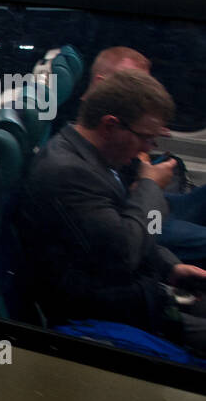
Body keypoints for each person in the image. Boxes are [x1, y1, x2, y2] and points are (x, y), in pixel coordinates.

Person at [16, 70, 206, 353]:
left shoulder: (94, 160)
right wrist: (149, 184)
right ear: (109, 126)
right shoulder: (68, 173)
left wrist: (170, 268)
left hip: (133, 292)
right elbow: (123, 252)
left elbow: (124, 230)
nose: (148, 149)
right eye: (145, 138)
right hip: (106, 312)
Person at [86, 47, 206, 267]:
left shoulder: (113, 138)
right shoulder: (78, 165)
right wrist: (149, 184)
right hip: (148, 221)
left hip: (152, 208)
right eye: (134, 87)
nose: (144, 97)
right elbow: (128, 243)